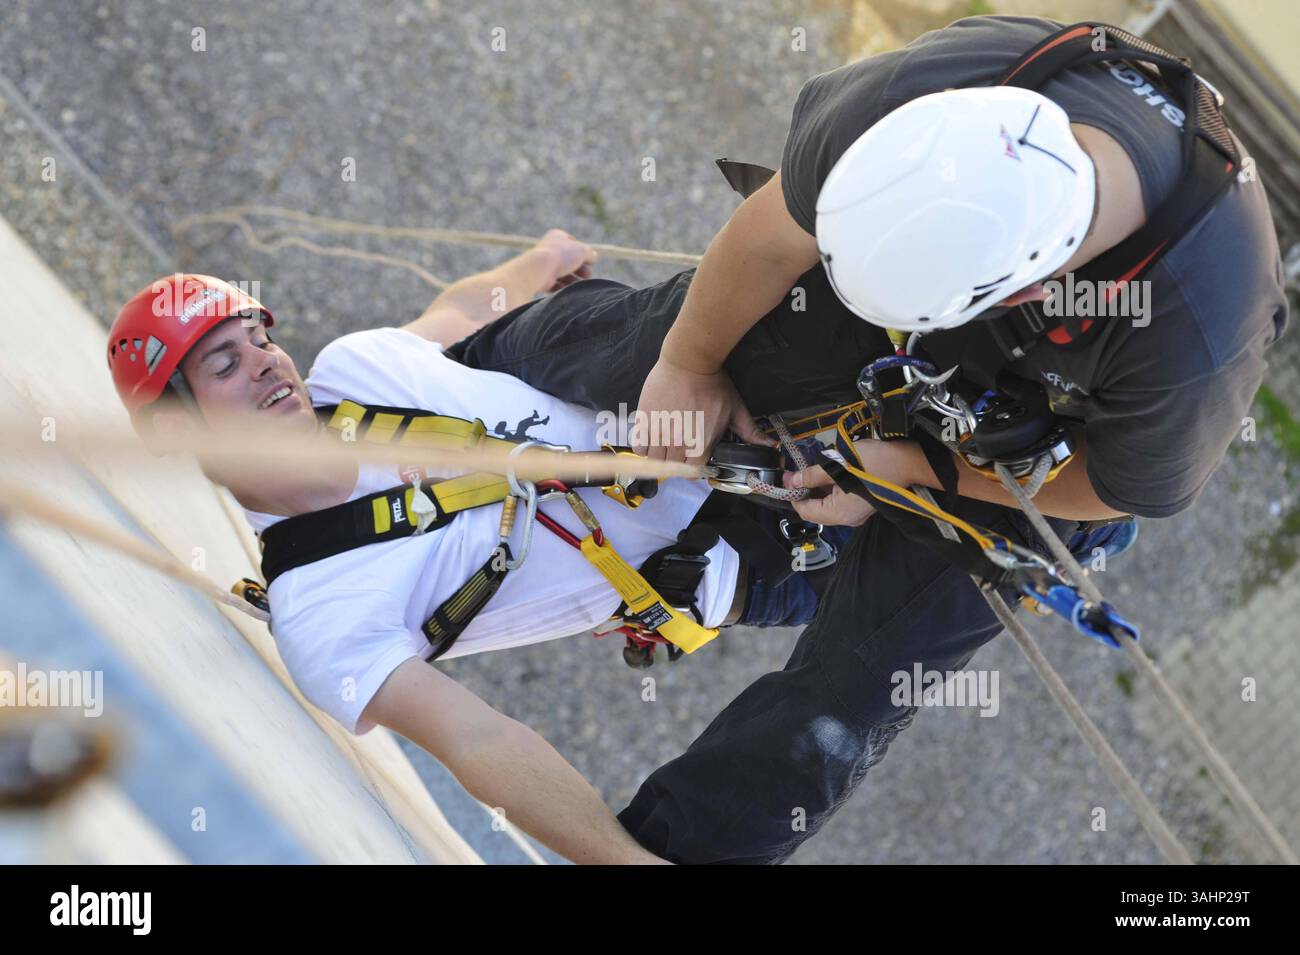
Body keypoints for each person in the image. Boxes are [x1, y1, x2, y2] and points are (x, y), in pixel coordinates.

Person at [444, 16, 1289, 862]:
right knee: (633, 356)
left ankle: (667, 846)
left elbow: (1109, 485)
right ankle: (440, 380)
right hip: (877, 284)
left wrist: (911, 468)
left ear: (1034, 285)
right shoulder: (933, 92)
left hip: (1048, 449)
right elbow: (775, 233)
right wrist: (686, 364)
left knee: (851, 691)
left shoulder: (1196, 331)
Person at [105, 231, 846, 865]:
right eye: (226, 365)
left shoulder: (352, 369)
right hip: (745, 552)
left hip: (691, 385)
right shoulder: (322, 612)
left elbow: (458, 312)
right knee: (926, 570)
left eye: (259, 337)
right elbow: (476, 740)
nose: (268, 360)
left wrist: (537, 263)